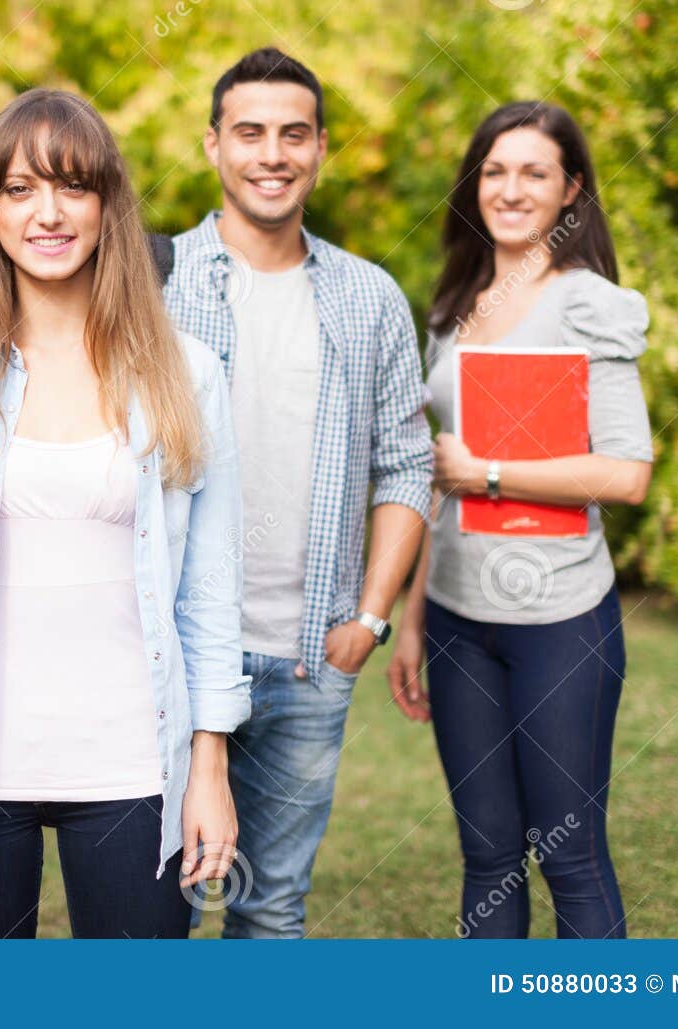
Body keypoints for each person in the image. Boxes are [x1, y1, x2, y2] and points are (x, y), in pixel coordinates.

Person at [0, 88, 250, 939]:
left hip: (133, 767)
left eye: (72, 187)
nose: (47, 213)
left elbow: (210, 589)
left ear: (107, 207)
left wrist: (210, 764)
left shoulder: (184, 374)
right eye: (20, 190)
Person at [163, 47, 434, 938]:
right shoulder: (151, 286)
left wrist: (370, 619)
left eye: (293, 133)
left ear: (320, 149)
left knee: (269, 907)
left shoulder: (370, 298)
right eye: (249, 132)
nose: (271, 153)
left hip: (311, 659)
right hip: (166, 657)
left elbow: (407, 463)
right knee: (148, 912)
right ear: (213, 145)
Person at [388, 101, 653, 939]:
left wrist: (491, 472)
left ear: (571, 189)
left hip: (559, 622)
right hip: (460, 624)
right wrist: (412, 618)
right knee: (489, 858)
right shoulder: (454, 306)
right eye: (494, 171)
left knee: (569, 856)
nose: (510, 189)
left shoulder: (587, 304)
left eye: (534, 172)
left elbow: (627, 472)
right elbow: (439, 480)